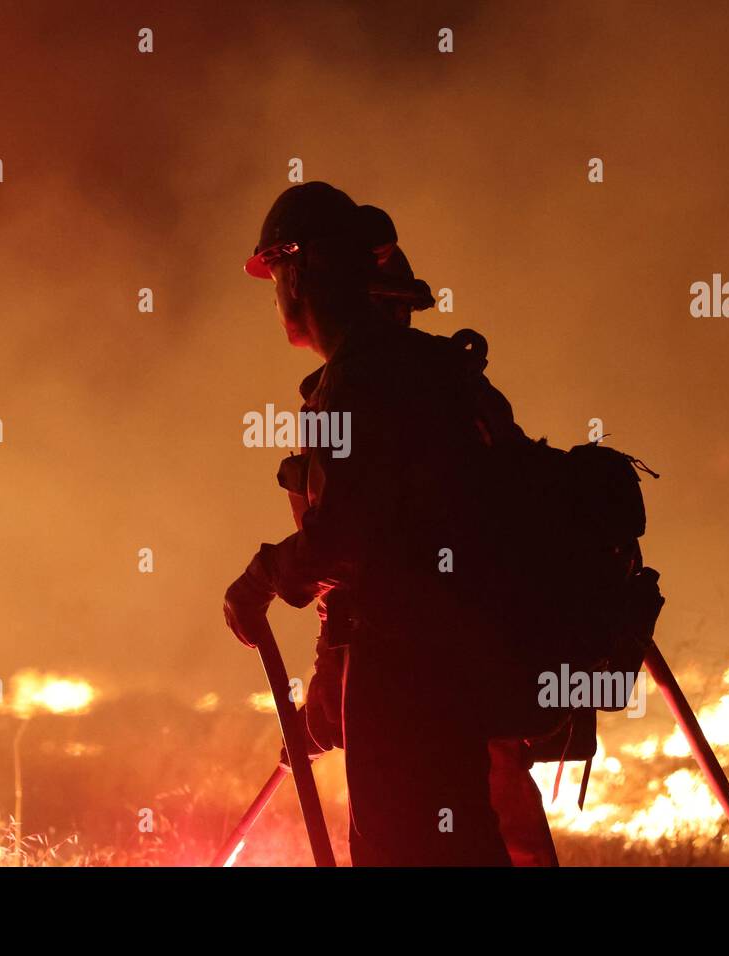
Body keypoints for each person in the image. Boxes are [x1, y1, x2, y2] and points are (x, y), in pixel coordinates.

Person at [223, 181, 551, 865]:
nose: (276, 294)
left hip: (406, 678)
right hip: (453, 667)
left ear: (301, 268)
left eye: (276, 273)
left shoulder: (357, 381)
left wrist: (261, 577)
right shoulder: (426, 370)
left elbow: (349, 541)